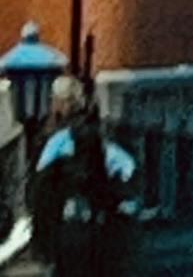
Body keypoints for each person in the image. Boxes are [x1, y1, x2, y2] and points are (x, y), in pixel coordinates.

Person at [30, 74, 136, 277]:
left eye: (54, 100)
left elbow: (42, 185)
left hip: (65, 224)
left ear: (63, 103)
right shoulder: (94, 132)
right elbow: (120, 168)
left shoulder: (59, 138)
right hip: (90, 222)